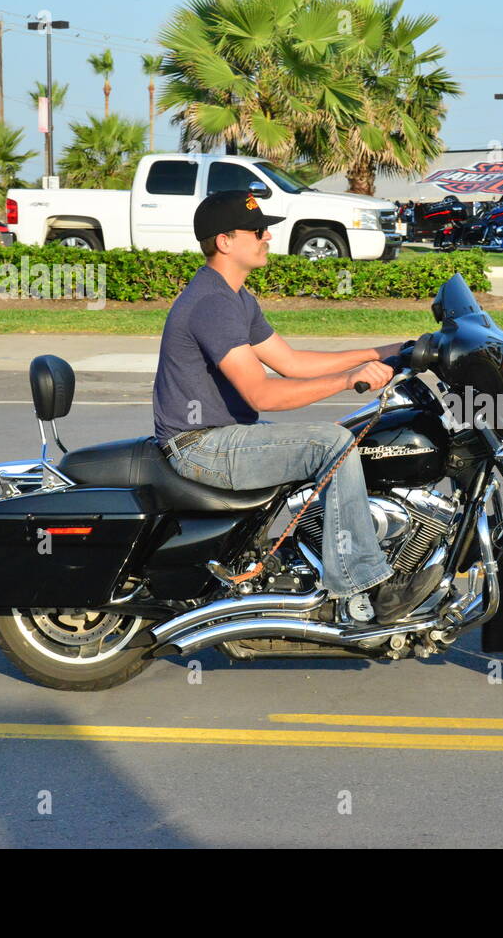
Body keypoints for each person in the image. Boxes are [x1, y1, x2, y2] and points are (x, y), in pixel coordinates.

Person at [152, 189, 422, 622]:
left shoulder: (235, 297)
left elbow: (291, 363)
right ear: (224, 241)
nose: (268, 238)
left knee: (340, 437)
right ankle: (363, 587)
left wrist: (378, 353)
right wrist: (349, 380)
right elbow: (263, 394)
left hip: (221, 437)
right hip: (201, 446)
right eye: (258, 231)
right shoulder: (212, 303)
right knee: (332, 442)